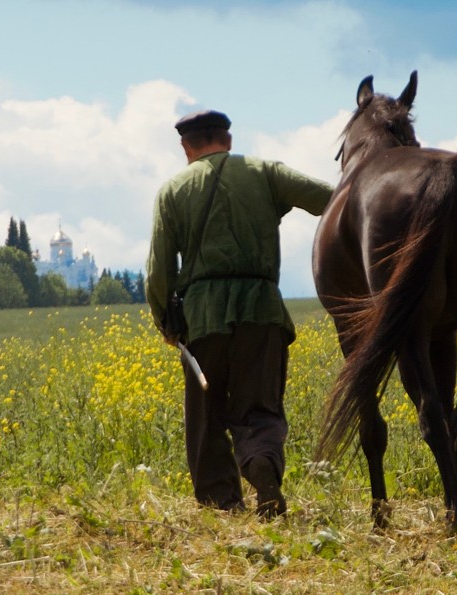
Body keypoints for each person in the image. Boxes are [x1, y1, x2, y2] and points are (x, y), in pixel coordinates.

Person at [146, 109, 334, 518]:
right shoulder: (266, 172)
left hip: (203, 317)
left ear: (185, 147)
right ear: (228, 141)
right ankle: (262, 460)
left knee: (206, 416)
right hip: (262, 310)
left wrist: (166, 322)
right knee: (260, 409)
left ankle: (222, 504)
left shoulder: (172, 191)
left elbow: (158, 270)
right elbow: (333, 199)